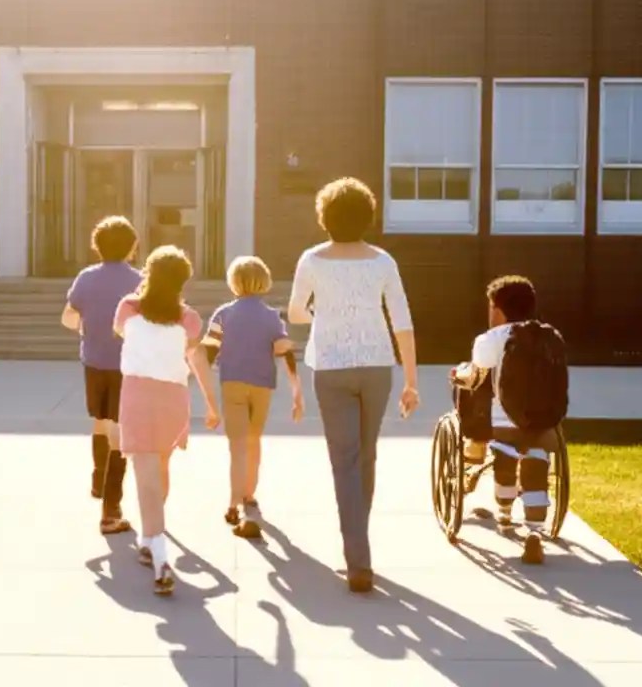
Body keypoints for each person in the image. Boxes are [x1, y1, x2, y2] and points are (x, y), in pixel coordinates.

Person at [287, 177, 419, 594]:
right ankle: (359, 546)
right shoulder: (383, 261)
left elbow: (294, 312)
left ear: (324, 217)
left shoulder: (311, 259)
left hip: (330, 366)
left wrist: (322, 316)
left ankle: (357, 558)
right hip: (377, 365)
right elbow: (402, 323)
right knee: (366, 457)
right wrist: (411, 381)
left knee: (344, 460)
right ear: (368, 216)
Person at [114, 245, 220, 596]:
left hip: (138, 394)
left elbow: (120, 332)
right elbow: (195, 357)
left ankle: (158, 554)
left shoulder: (128, 308)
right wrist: (210, 403)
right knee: (159, 470)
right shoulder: (189, 318)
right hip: (173, 398)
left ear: (149, 273)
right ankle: (150, 536)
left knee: (145, 479)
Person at [451, 275, 565, 565]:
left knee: (505, 461)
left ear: (497, 309)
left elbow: (476, 377)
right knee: (536, 468)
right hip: (544, 421)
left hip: (505, 422)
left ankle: (504, 516)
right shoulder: (551, 336)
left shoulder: (491, 339)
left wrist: (458, 374)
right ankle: (535, 533)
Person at [202, 256, 304, 539]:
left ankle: (233, 503)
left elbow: (208, 351)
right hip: (262, 386)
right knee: (253, 442)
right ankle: (249, 495)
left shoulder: (223, 314)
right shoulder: (272, 316)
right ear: (265, 281)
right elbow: (285, 352)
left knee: (237, 447)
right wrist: (297, 392)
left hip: (232, 383)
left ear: (233, 281)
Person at [61, 216, 143, 535]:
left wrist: (85, 326)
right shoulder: (139, 279)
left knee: (101, 420)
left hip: (93, 361)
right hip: (126, 364)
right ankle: (111, 508)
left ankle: (98, 477)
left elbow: (69, 317)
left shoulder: (86, 277)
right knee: (119, 432)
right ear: (132, 246)